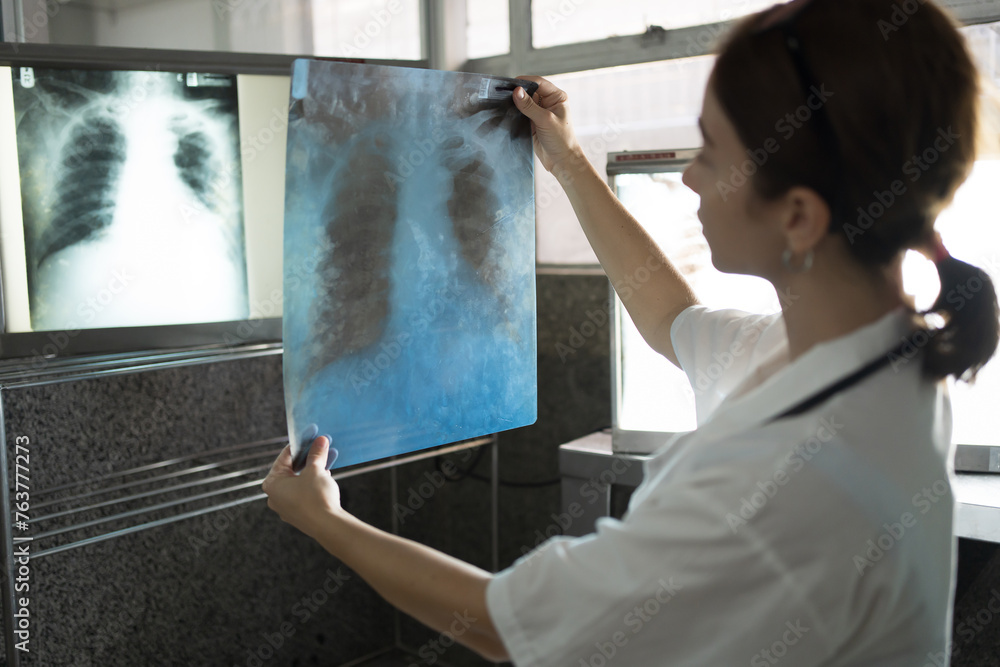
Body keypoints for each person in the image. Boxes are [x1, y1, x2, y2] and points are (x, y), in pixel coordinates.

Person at [262, 0, 1000, 663]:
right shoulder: (887, 352)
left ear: (799, 216)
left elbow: (507, 625)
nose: (691, 179)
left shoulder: (782, 478)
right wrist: (568, 159)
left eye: (712, 151)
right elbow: (671, 319)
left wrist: (325, 521)